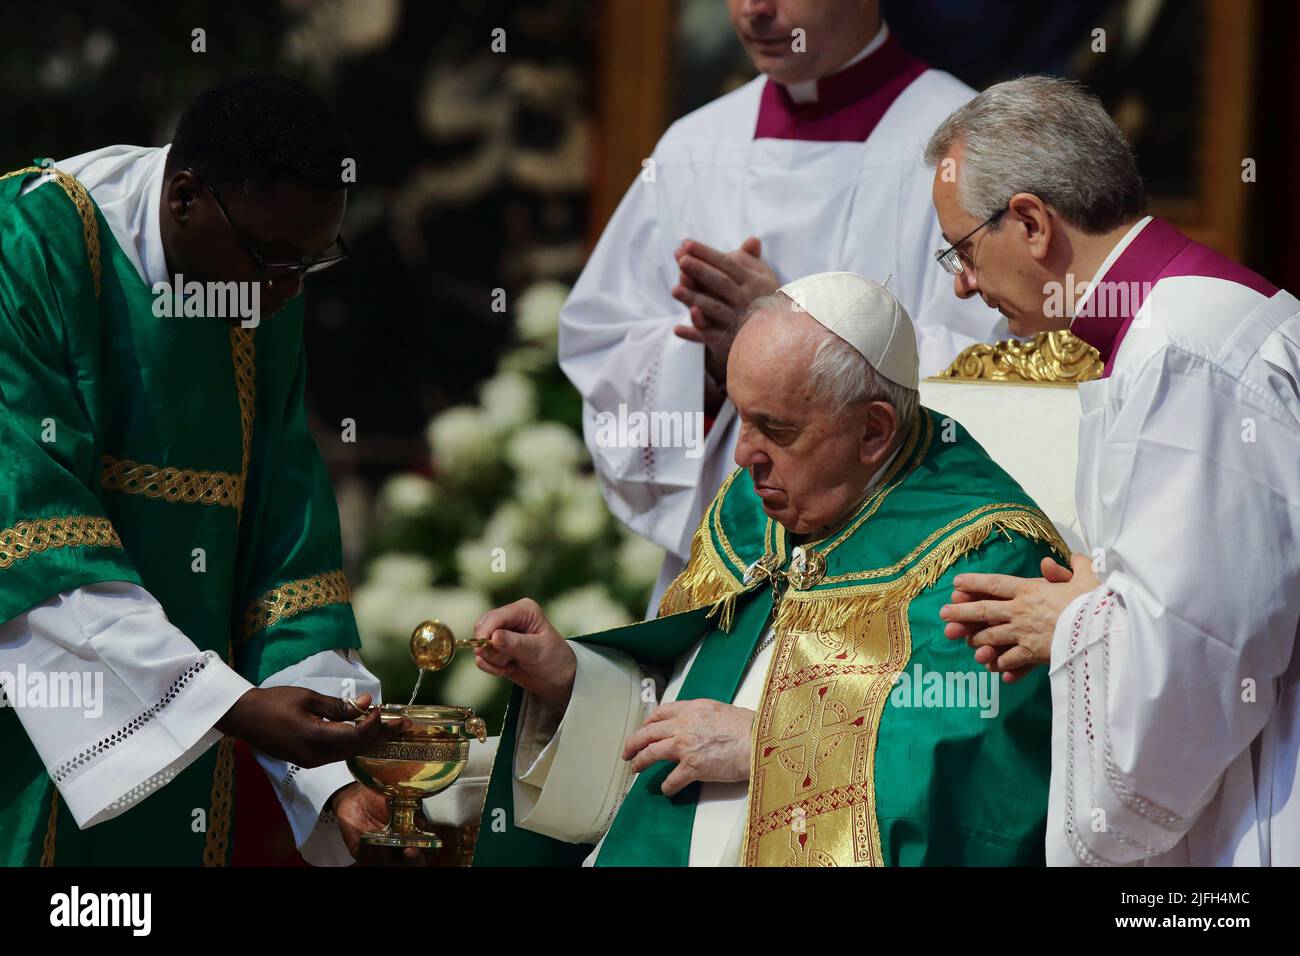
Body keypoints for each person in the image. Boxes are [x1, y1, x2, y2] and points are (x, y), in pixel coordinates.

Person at [468, 272, 1064, 866]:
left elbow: (974, 788)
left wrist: (770, 748)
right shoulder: (755, 515)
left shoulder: (982, 555)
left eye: (776, 429)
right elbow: (679, 727)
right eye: (741, 417)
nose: (741, 454)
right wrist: (571, 683)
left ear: (874, 431)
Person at [0, 73, 406, 866]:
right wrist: (227, 703)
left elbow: (286, 553)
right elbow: (27, 534)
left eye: (311, 262)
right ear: (184, 197)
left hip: (187, 765)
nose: (287, 293)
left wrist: (341, 776)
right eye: (274, 259)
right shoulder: (26, 249)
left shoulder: (252, 287)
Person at [925, 76, 1300, 865]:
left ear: (1029, 222)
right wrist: (1109, 592)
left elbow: (1199, 654)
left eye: (962, 249)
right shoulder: (1189, 322)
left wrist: (1067, 624)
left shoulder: (1182, 353)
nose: (962, 283)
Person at [559, 0, 1002, 614]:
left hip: (900, 582)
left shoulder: (965, 148)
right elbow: (602, 341)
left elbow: (998, 368)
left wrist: (787, 337)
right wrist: (713, 364)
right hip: (723, 577)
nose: (752, 10)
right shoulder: (693, 147)